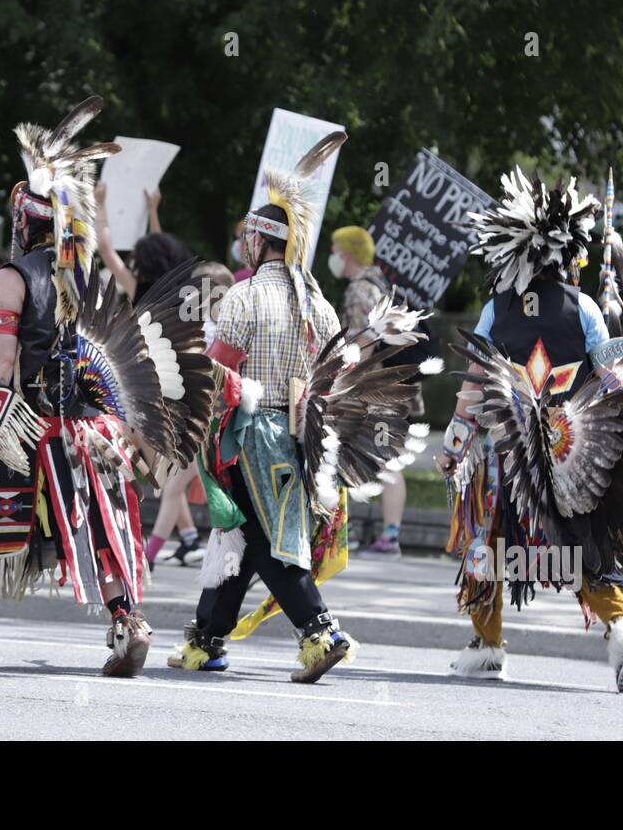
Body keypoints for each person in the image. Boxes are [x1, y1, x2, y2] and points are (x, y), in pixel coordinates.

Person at [0, 96, 213, 674]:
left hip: (26, 426)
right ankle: (126, 623)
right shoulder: (80, 271)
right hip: (92, 430)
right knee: (95, 528)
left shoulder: (10, 279)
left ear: (24, 222)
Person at [438, 167, 623, 692]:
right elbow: (620, 381)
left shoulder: (494, 309)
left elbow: (474, 381)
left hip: (506, 456)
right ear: (564, 256)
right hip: (572, 451)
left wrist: (454, 443)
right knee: (576, 544)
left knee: (487, 542)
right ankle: (620, 624)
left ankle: (486, 646)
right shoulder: (587, 308)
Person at [166, 132, 432, 683]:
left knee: (264, 539)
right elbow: (338, 374)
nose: (242, 248)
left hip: (250, 435)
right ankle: (206, 641)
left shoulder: (243, 297)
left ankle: (320, 632)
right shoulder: (320, 303)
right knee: (238, 534)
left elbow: (221, 373)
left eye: (246, 239)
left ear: (262, 242)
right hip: (305, 438)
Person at [93, 181, 207, 565]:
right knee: (169, 471)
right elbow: (167, 251)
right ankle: (188, 535)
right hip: (188, 386)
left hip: (152, 388)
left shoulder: (140, 290)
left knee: (160, 471)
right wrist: (154, 211)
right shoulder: (189, 291)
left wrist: (100, 205)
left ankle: (148, 549)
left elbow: (107, 250)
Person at [328, 225, 413, 559]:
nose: (333, 257)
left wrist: (346, 385)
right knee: (387, 458)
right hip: (389, 387)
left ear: (346, 254)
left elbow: (363, 343)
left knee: (340, 454)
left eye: (335, 251)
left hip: (366, 390)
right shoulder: (382, 285)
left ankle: (337, 533)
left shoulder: (358, 291)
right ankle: (390, 536)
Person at [144, 261, 235, 568]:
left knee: (171, 487)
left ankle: (149, 557)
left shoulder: (207, 331)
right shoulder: (220, 328)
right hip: (210, 419)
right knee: (180, 485)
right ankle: (192, 543)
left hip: (203, 419)